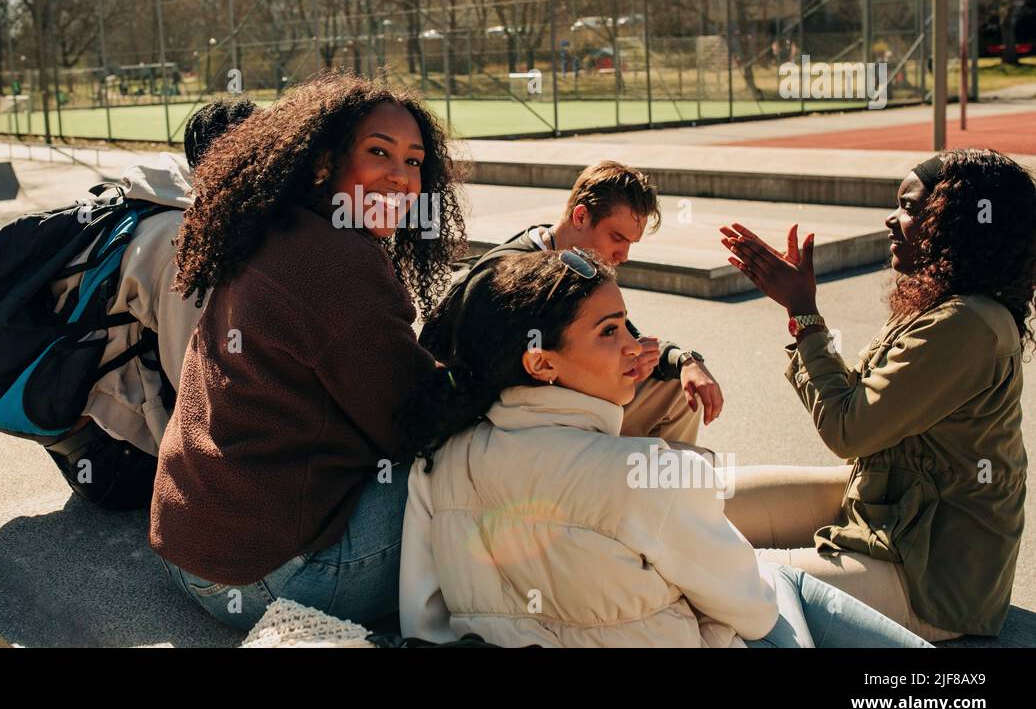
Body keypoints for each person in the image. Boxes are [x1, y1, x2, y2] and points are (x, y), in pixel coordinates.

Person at [398, 248, 929, 647]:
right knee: (772, 583)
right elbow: (754, 615)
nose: (635, 344)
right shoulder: (648, 472)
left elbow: (423, 621)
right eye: (608, 332)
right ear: (541, 362)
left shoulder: (440, 459)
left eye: (627, 322)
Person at [151, 71, 466, 631]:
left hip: (188, 550)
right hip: (267, 582)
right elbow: (416, 420)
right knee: (478, 477)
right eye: (379, 152)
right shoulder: (337, 263)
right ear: (324, 161)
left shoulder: (269, 225)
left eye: (415, 161)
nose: (401, 177)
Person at [719, 148, 1035, 641]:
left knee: (718, 579)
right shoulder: (939, 304)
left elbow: (849, 428)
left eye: (910, 208)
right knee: (695, 500)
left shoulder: (967, 324)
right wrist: (801, 315)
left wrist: (805, 314)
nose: (892, 219)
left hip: (931, 575)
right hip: (887, 503)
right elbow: (852, 402)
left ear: (957, 225)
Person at [41, 98, 257, 509]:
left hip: (100, 432)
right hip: (120, 458)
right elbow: (198, 387)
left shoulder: (157, 202)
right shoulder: (184, 241)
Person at [421, 160, 721, 447]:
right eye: (617, 237)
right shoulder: (509, 273)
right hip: (507, 426)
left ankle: (665, 494)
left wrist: (684, 360)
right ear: (580, 217)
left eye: (631, 243)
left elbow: (627, 333)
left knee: (680, 393)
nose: (624, 255)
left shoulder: (577, 265)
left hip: (563, 401)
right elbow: (496, 384)